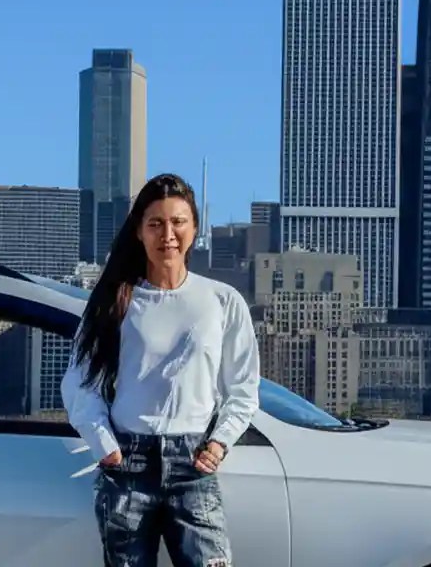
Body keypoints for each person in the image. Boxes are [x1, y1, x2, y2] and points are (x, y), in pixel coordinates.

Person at [61, 173, 260, 567]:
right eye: (155, 223)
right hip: (128, 463)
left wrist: (219, 443)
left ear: (195, 228)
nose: (167, 235)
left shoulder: (222, 301)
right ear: (139, 231)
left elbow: (243, 388)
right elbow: (80, 383)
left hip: (194, 463)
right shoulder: (115, 300)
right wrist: (105, 446)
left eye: (178, 222)